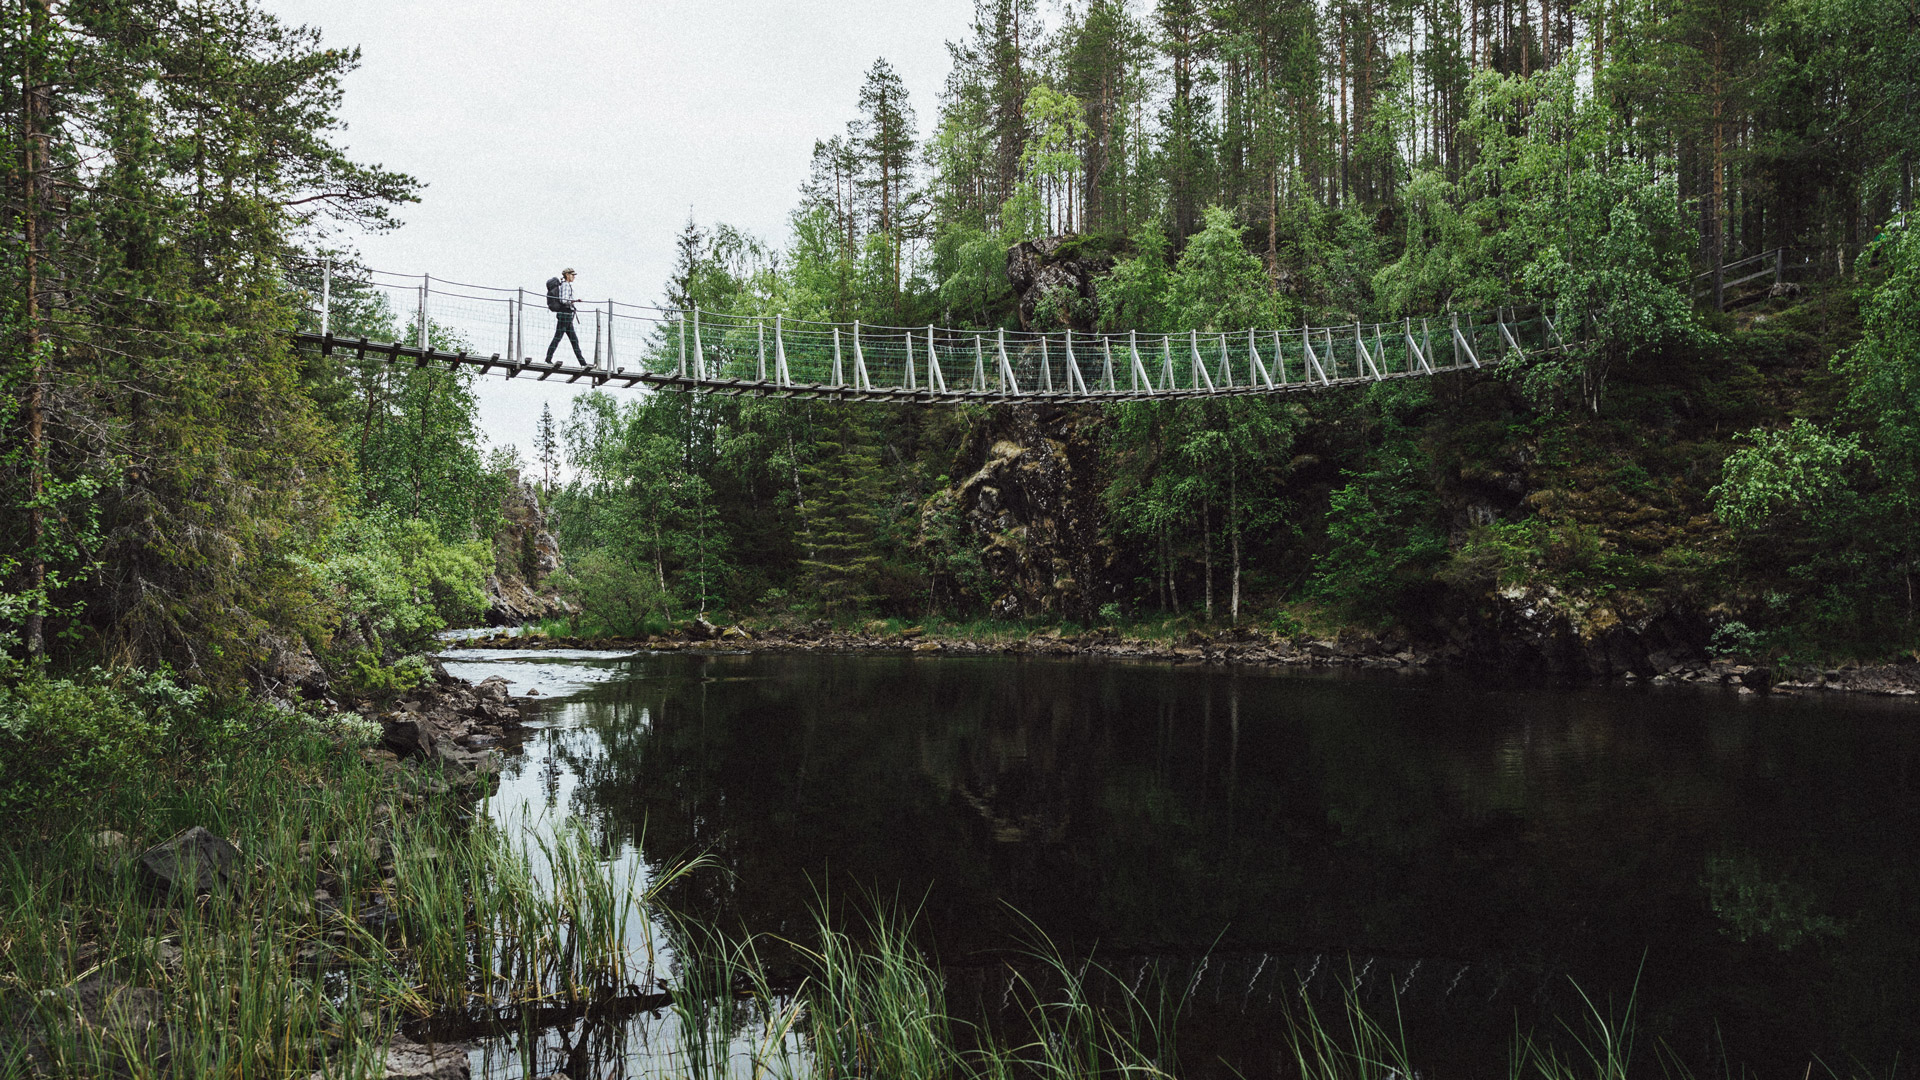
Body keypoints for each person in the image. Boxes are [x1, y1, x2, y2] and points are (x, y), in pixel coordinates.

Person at [545, 267, 587, 364]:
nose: (574, 277)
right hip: (565, 314)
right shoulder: (565, 286)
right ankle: (548, 358)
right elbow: (563, 300)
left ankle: (583, 362)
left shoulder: (566, 285)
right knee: (559, 337)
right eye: (572, 275)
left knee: (573, 340)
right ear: (567, 275)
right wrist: (573, 301)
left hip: (567, 315)